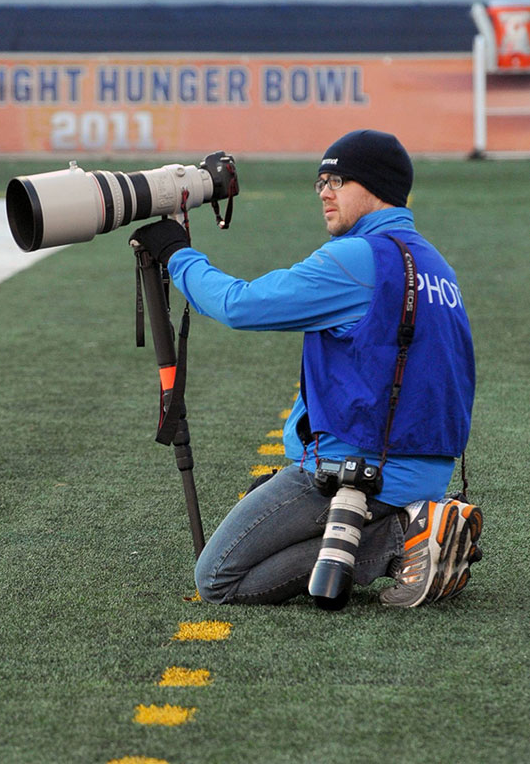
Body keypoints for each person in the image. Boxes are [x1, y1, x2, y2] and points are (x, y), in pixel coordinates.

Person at [136, 129, 482, 609]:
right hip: (426, 468)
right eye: (320, 181)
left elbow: (240, 305)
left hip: (356, 468)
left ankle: (400, 540)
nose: (323, 191)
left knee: (218, 577)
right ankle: (414, 521)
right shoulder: (436, 265)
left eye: (337, 179)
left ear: (374, 186)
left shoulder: (357, 259)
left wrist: (177, 254)